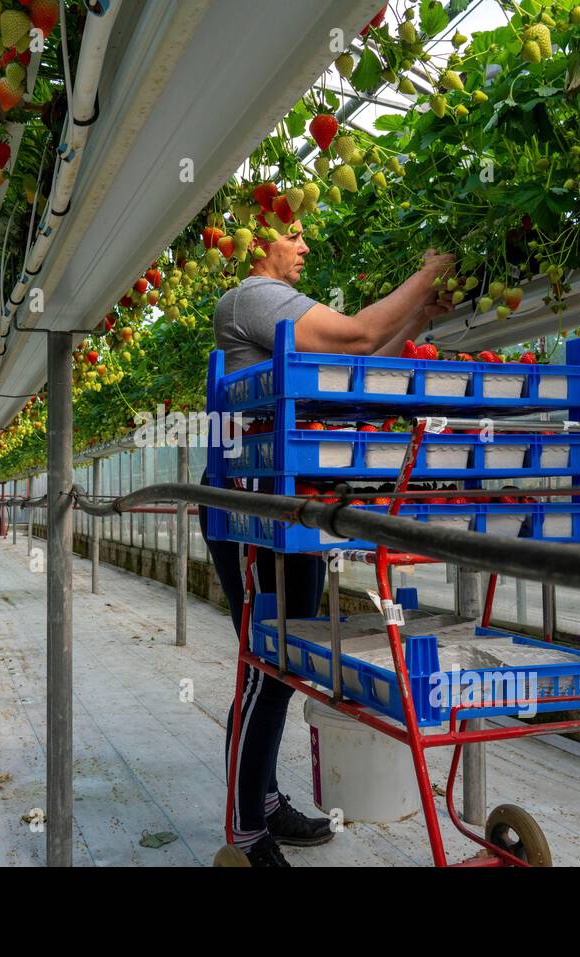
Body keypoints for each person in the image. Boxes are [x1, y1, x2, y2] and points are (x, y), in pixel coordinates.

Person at [204, 218, 454, 866]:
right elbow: (358, 334)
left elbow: (357, 365)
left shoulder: (274, 310)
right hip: (255, 505)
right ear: (259, 238)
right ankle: (245, 830)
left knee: (280, 662)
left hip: (293, 503)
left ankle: (262, 800)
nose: (307, 246)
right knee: (267, 656)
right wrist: (430, 268)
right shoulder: (251, 298)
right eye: (294, 234)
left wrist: (419, 316)